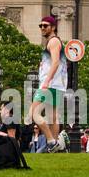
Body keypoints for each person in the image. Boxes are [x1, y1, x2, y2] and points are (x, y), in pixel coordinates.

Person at [30, 14, 67, 153]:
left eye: (45, 26)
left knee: (34, 113)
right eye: (40, 25)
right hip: (58, 85)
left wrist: (46, 81)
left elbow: (56, 62)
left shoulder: (53, 41)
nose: (42, 28)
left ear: (53, 27)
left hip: (50, 84)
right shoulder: (55, 42)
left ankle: (51, 142)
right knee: (52, 116)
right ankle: (55, 146)